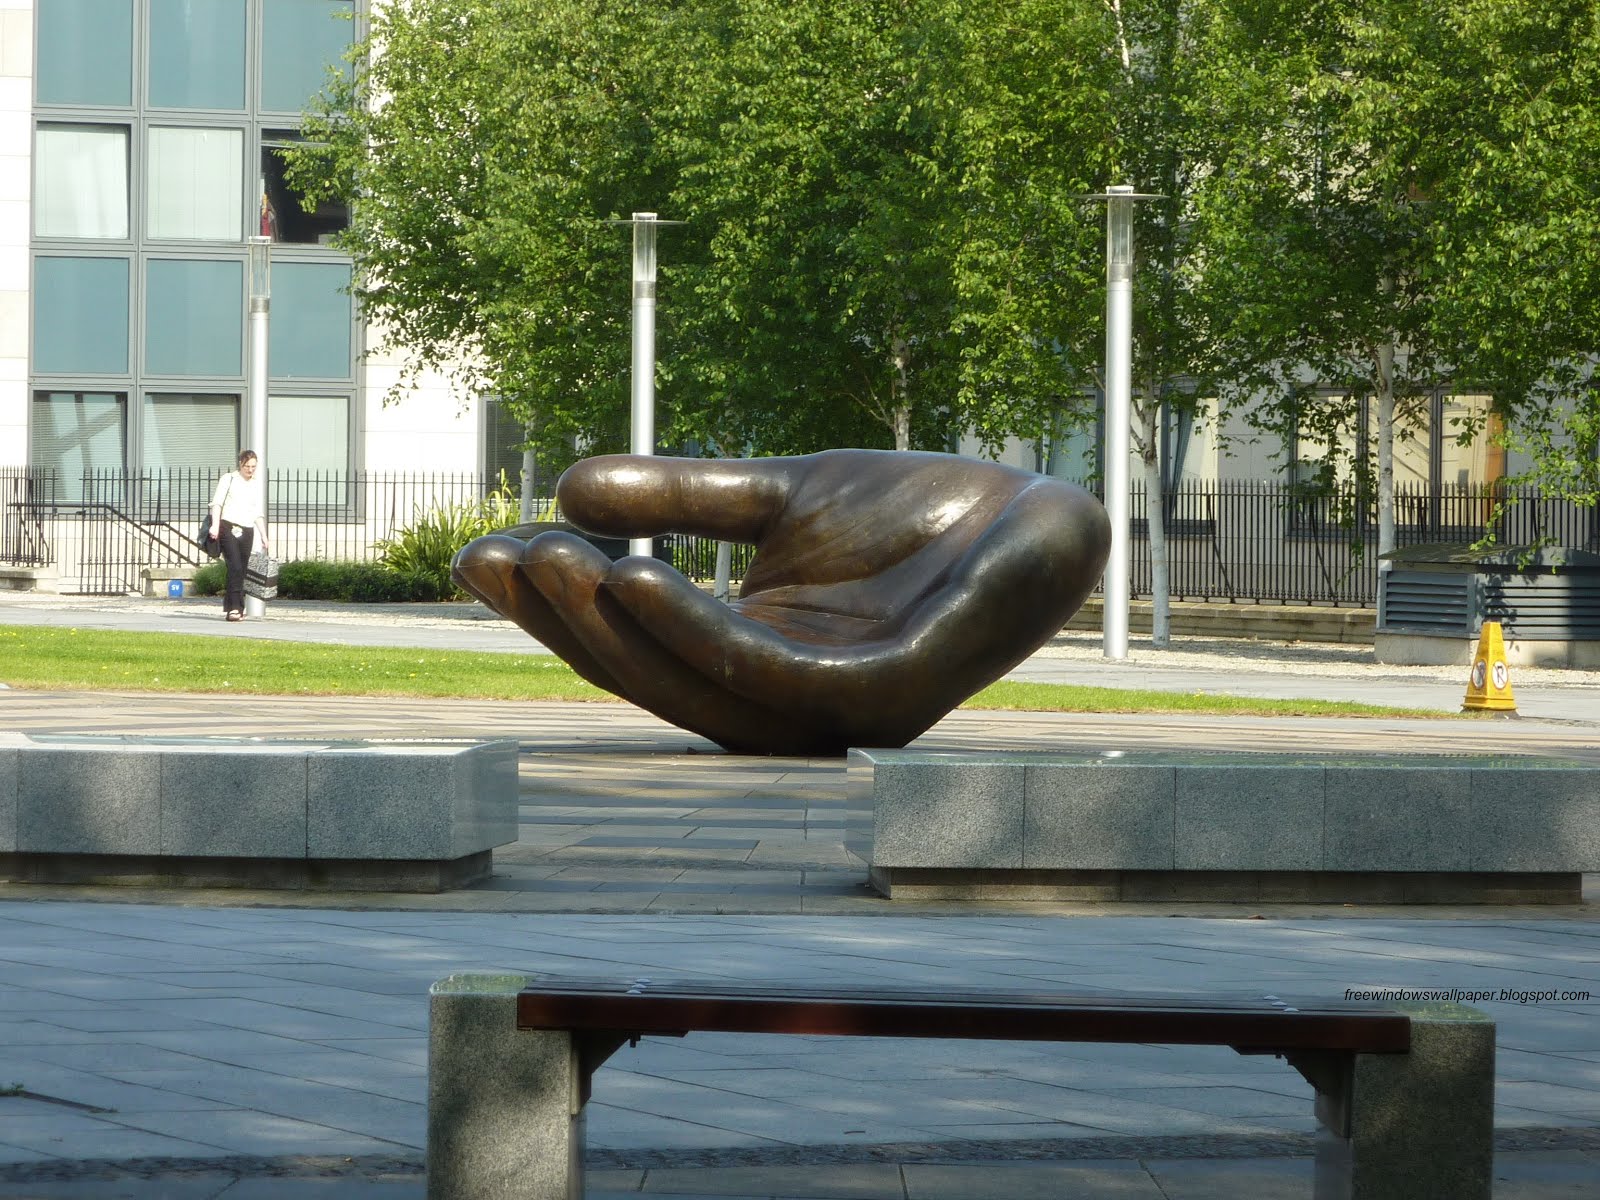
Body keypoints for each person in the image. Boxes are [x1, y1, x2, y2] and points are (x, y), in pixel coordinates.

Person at [207, 450, 272, 622]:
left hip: (247, 528)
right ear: (240, 465)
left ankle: (235, 606)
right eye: (247, 466)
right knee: (234, 565)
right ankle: (234, 609)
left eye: (253, 467)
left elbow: (257, 512)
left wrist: (264, 535)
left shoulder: (255, 484)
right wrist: (214, 525)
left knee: (241, 569)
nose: (250, 470)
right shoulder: (229, 479)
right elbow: (217, 503)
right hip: (228, 526)